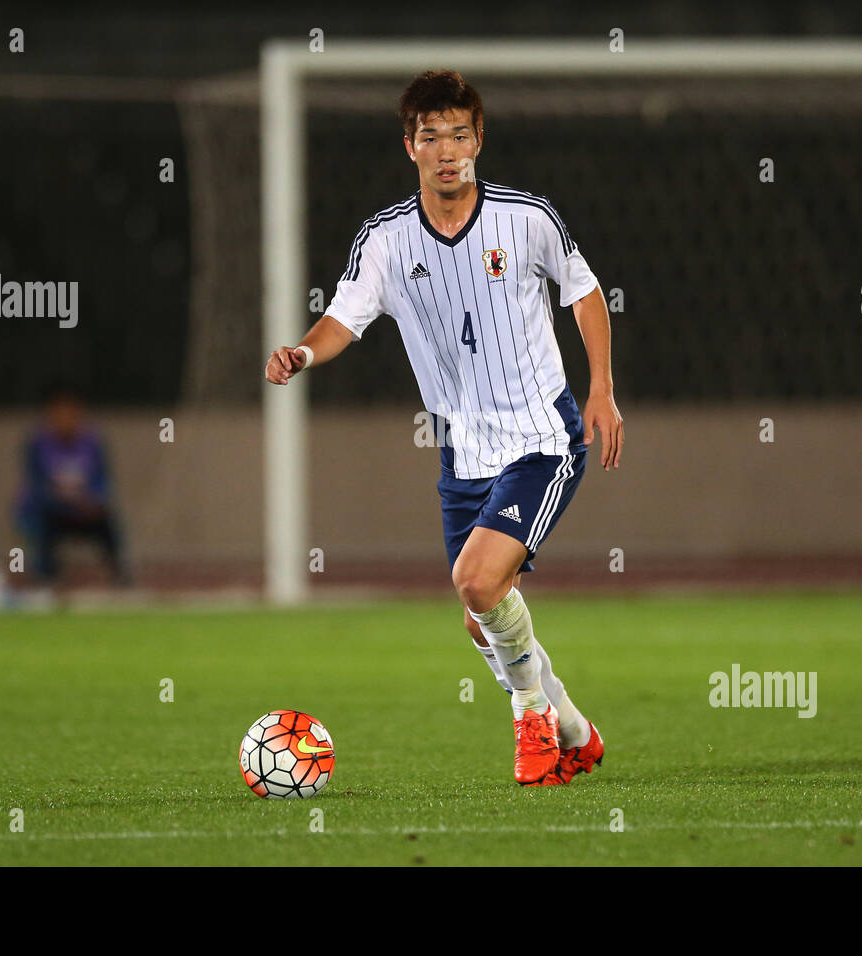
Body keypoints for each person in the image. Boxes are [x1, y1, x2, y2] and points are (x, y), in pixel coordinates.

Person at [265, 70, 624, 786]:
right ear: (411, 147)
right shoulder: (388, 240)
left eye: (460, 134)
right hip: (463, 453)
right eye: (432, 136)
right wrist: (303, 350)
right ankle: (579, 733)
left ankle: (533, 726)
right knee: (478, 608)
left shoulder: (527, 218)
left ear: (479, 139)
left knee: (476, 580)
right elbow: (347, 316)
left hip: (541, 437)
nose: (448, 149)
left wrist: (602, 391)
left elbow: (584, 293)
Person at [15, 385, 129, 585]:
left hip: (84, 511)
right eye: (60, 413)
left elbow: (102, 481)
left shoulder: (93, 442)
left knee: (108, 520)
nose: (65, 418)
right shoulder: (38, 443)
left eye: (71, 413)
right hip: (51, 511)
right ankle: (44, 576)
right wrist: (63, 502)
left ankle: (120, 574)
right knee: (41, 524)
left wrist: (94, 500)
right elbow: (35, 485)